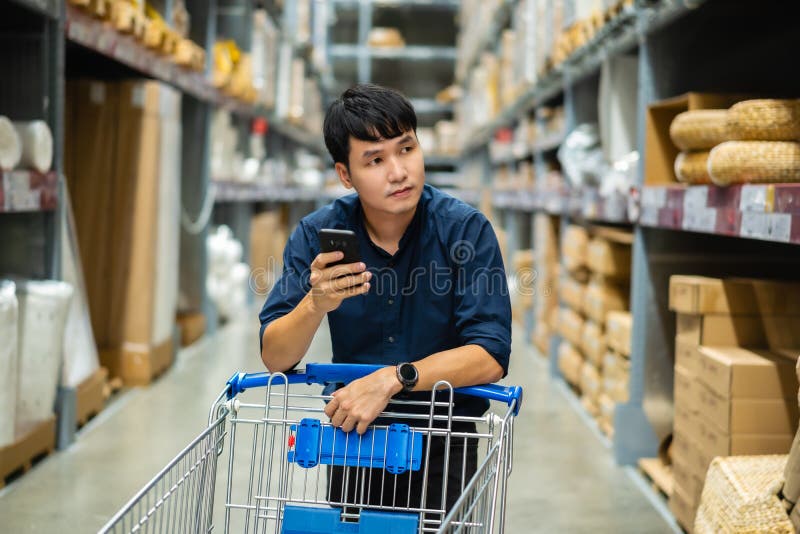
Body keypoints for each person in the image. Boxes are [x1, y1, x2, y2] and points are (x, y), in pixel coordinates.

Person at [258, 84, 511, 520]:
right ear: (345, 174)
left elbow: (490, 353)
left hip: (443, 442)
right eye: (375, 160)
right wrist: (315, 303)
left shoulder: (465, 232)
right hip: (354, 439)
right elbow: (275, 355)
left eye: (406, 148)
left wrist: (394, 378)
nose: (399, 171)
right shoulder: (317, 235)